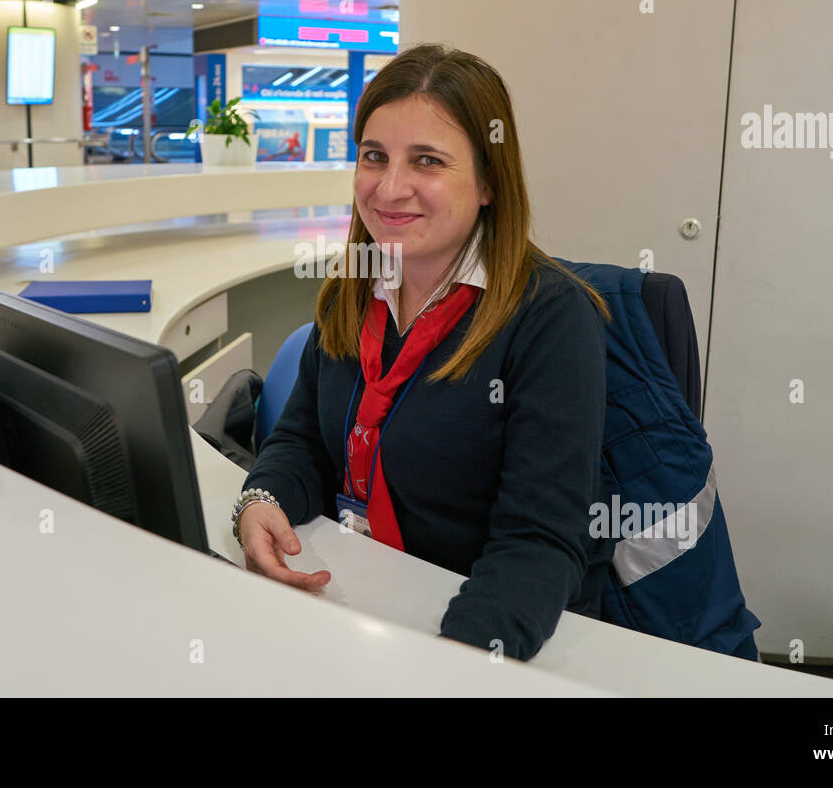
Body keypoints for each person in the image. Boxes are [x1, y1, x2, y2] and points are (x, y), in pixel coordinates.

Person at [234, 44, 613, 661]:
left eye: (428, 161)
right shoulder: (353, 287)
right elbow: (303, 441)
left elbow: (538, 542)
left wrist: (451, 665)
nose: (390, 187)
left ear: (489, 182)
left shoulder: (550, 319)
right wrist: (262, 500)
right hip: (357, 596)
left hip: (472, 626)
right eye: (374, 157)